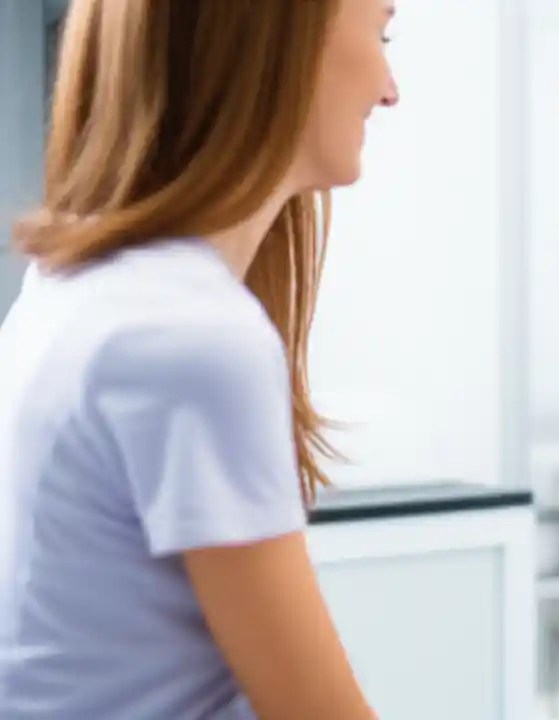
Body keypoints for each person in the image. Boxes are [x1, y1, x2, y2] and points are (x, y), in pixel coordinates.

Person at [0, 1, 400, 717]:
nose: (389, 86)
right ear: (280, 44)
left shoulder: (78, 286)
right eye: (380, 33)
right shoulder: (189, 338)